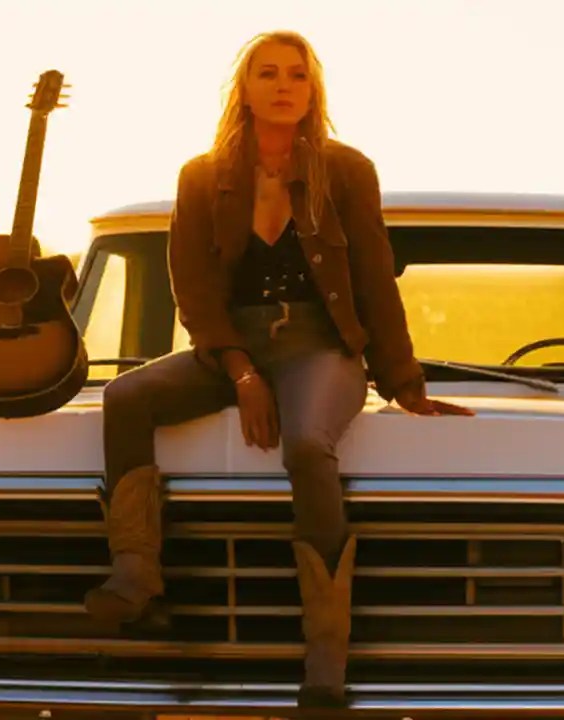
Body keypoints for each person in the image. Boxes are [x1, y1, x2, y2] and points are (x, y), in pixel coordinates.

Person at [83, 29, 473, 708]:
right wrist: (239, 371)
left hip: (321, 348)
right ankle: (136, 570)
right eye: (268, 74)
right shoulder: (201, 176)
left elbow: (375, 278)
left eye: (297, 74)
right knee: (126, 396)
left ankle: (325, 662)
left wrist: (404, 383)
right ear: (245, 89)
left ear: (312, 90)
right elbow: (194, 290)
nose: (284, 85)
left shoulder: (346, 170)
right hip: (233, 347)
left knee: (306, 445)